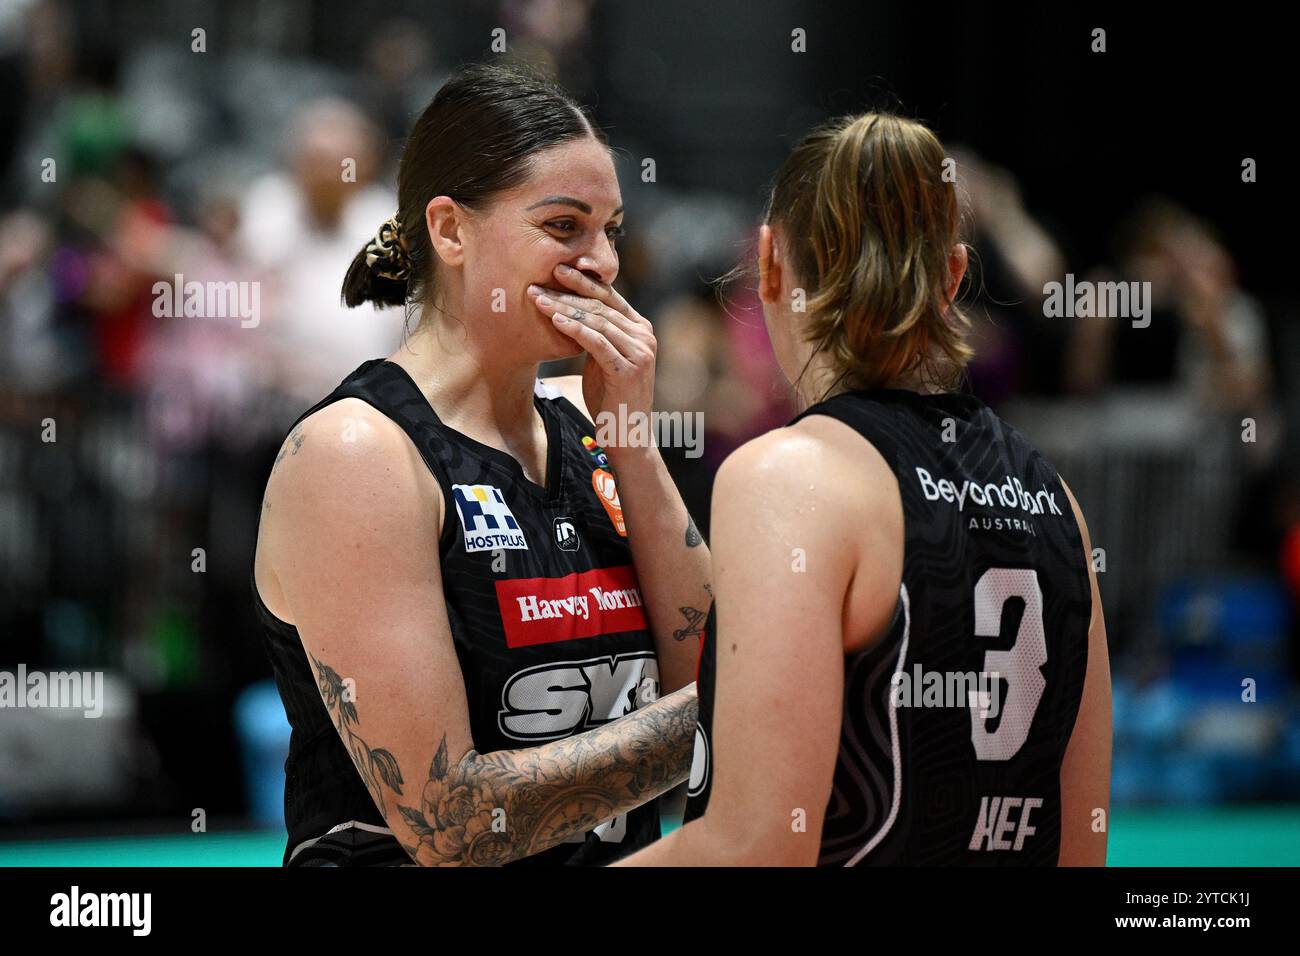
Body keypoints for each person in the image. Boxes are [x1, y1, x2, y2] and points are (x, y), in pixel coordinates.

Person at [617, 112, 1111, 866]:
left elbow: (751, 850)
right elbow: (1081, 847)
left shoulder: (788, 476)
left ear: (770, 265)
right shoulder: (1057, 500)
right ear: (952, 277)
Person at [251, 63, 708, 867]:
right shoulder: (356, 454)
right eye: (564, 226)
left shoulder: (594, 426)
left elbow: (702, 679)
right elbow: (450, 823)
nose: (602, 262)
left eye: (612, 230)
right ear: (450, 231)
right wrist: (733, 715)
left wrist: (632, 437)